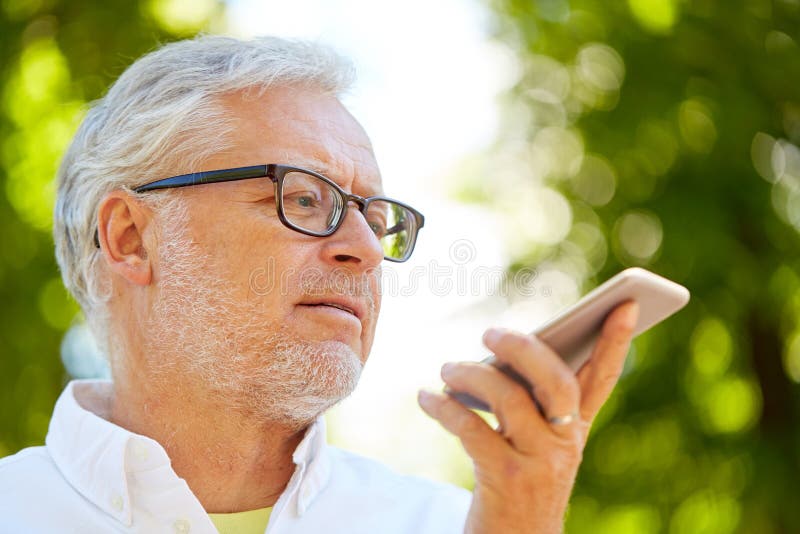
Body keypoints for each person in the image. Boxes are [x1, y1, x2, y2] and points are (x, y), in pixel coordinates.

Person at [0, 35, 639, 533]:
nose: (366, 249)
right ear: (131, 238)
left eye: (377, 221)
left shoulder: (459, 524)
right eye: (304, 199)